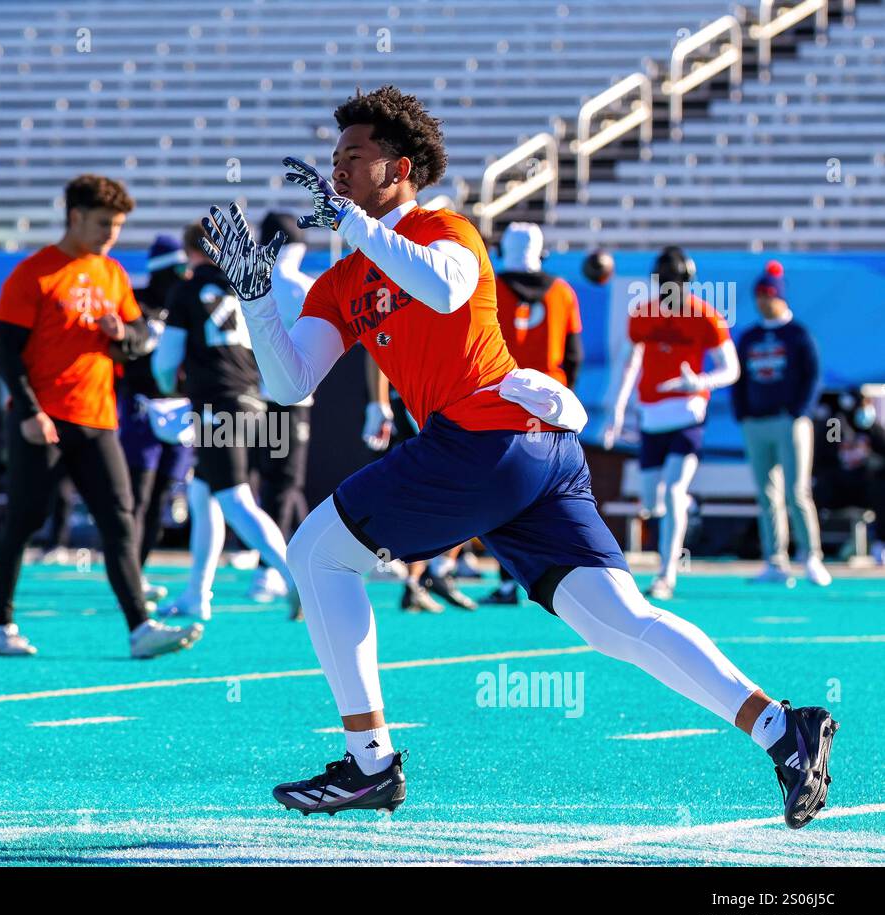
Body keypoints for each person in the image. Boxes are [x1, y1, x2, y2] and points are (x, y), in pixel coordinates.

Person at [199, 85, 836, 829]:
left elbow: (440, 290)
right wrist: (254, 295)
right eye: (333, 157)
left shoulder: (448, 231)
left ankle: (369, 761)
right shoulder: (344, 280)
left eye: (354, 156)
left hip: (488, 442)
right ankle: (779, 728)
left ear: (400, 167)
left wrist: (353, 225)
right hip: (524, 455)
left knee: (316, 554)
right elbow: (288, 382)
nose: (336, 169)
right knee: (615, 620)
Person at [0, 174, 202, 658]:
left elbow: (134, 344)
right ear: (75, 216)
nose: (111, 233)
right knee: (24, 521)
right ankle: (1, 625)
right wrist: (29, 412)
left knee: (119, 521)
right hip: (43, 419)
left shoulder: (113, 274)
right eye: (104, 223)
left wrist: (121, 335)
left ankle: (140, 628)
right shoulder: (33, 273)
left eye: (118, 225)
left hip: (99, 417)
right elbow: (6, 353)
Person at [151, 222, 299, 621]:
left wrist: (170, 389)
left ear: (190, 252)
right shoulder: (246, 284)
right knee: (203, 495)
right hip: (255, 399)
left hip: (218, 404)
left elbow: (165, 363)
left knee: (234, 498)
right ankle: (197, 594)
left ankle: (296, 579)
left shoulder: (187, 290)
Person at [603, 246, 740, 601]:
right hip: (651, 417)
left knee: (674, 492)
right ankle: (683, 511)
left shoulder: (705, 316)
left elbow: (731, 368)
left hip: (687, 413)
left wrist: (700, 382)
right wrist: (616, 410)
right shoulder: (643, 314)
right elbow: (628, 363)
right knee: (651, 501)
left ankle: (666, 575)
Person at [485, 221, 582, 605]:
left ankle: (509, 580)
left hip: (501, 400)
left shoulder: (487, 286)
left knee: (501, 496)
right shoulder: (562, 292)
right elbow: (573, 355)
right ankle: (564, 574)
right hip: (551, 405)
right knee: (553, 495)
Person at [733, 262, 830, 586]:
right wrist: (743, 414)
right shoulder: (749, 337)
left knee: (797, 491)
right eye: (759, 295)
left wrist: (799, 411)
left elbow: (813, 376)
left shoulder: (798, 334)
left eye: (768, 294)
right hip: (756, 423)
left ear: (780, 296)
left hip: (789, 421)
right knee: (766, 494)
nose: (762, 300)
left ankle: (812, 556)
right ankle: (775, 561)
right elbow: (739, 378)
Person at [363, 355, 477, 612]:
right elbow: (378, 344)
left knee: (454, 489)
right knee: (454, 487)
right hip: (420, 402)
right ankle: (428, 571)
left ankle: (424, 576)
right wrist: (378, 403)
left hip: (440, 397)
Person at [116, 233, 193, 602]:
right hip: (143, 409)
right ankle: (131, 575)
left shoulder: (186, 304)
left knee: (162, 495)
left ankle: (139, 572)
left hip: (179, 411)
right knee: (139, 495)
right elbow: (123, 353)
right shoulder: (136, 303)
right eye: (177, 269)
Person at [247, 212, 316, 604]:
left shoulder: (255, 280)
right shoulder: (296, 285)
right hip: (288, 402)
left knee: (278, 485)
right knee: (282, 484)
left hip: (255, 396)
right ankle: (269, 569)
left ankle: (298, 560)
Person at [813, 388, 885, 564]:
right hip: (839, 489)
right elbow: (825, 456)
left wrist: (867, 461)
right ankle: (812, 548)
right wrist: (845, 457)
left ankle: (880, 545)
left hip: (865, 489)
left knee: (882, 490)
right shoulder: (836, 425)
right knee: (817, 492)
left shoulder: (871, 427)